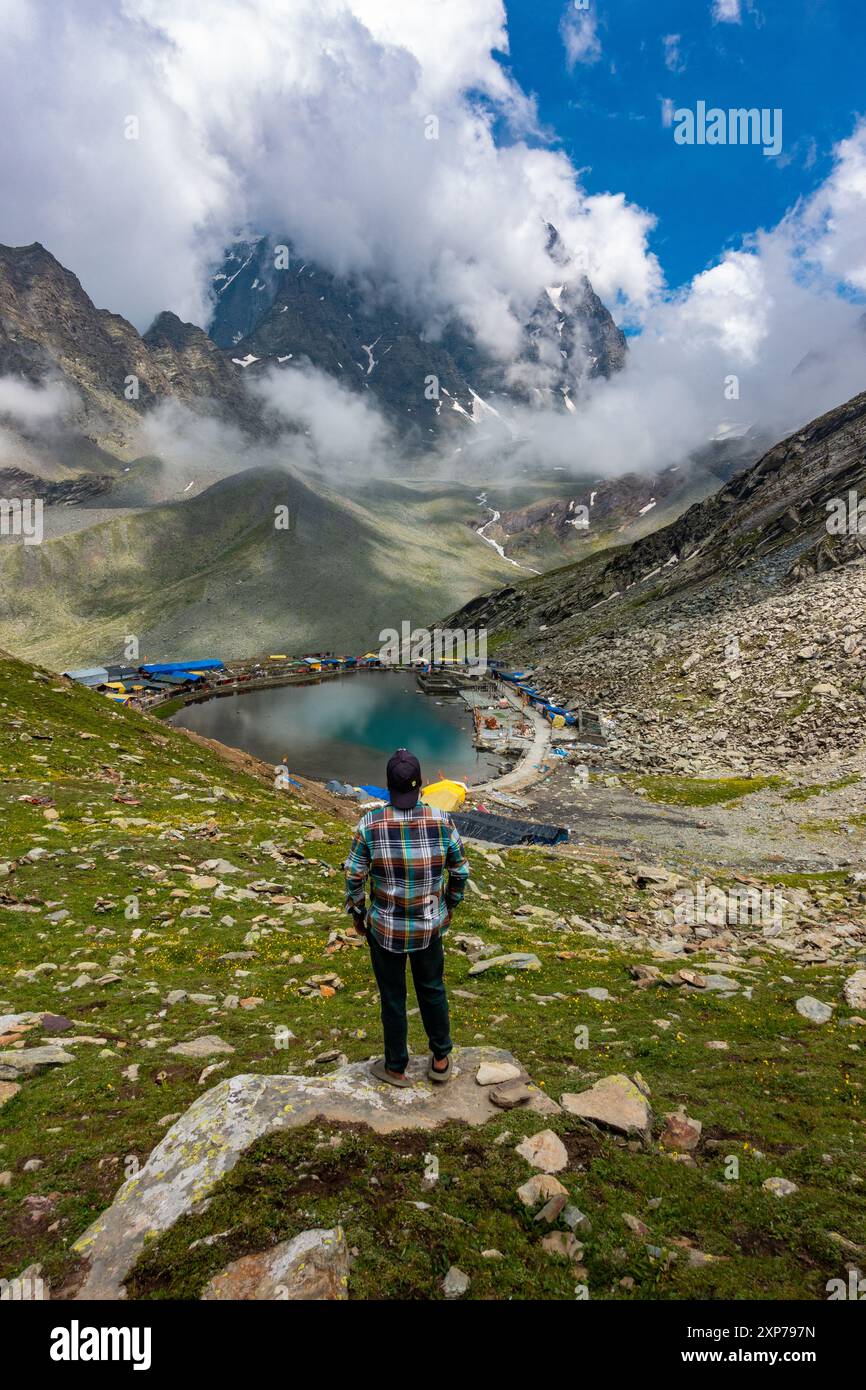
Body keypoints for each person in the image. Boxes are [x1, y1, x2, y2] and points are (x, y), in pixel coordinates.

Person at [344, 748, 469, 1086]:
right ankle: (441, 1058)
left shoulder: (369, 825)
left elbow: (354, 877)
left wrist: (359, 913)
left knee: (393, 996)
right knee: (432, 988)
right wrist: (450, 905)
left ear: (387, 784)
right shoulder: (442, 821)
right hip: (429, 927)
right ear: (422, 784)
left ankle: (396, 1066)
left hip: (385, 929)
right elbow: (460, 871)